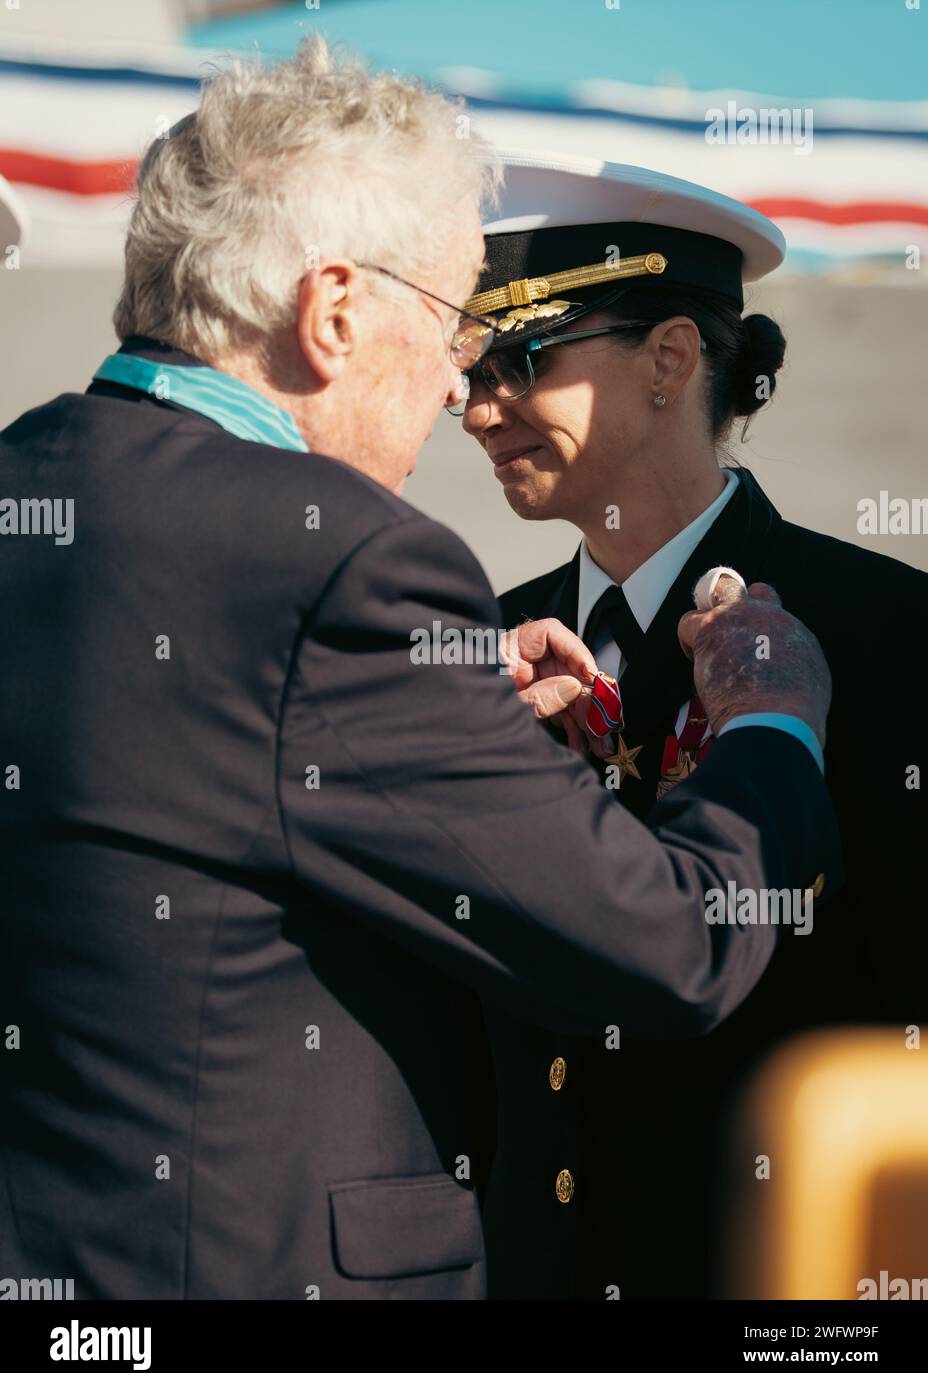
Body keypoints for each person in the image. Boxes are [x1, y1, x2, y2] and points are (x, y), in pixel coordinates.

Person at [0, 47, 837, 1301]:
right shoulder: (337, 567)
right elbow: (676, 939)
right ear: (332, 313)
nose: (461, 385)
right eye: (453, 327)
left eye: (506, 350)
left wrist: (397, 730)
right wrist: (772, 718)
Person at [457, 149, 927, 1299]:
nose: (475, 411)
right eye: (461, 371)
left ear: (671, 357)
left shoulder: (888, 628)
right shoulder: (476, 644)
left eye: (519, 359)